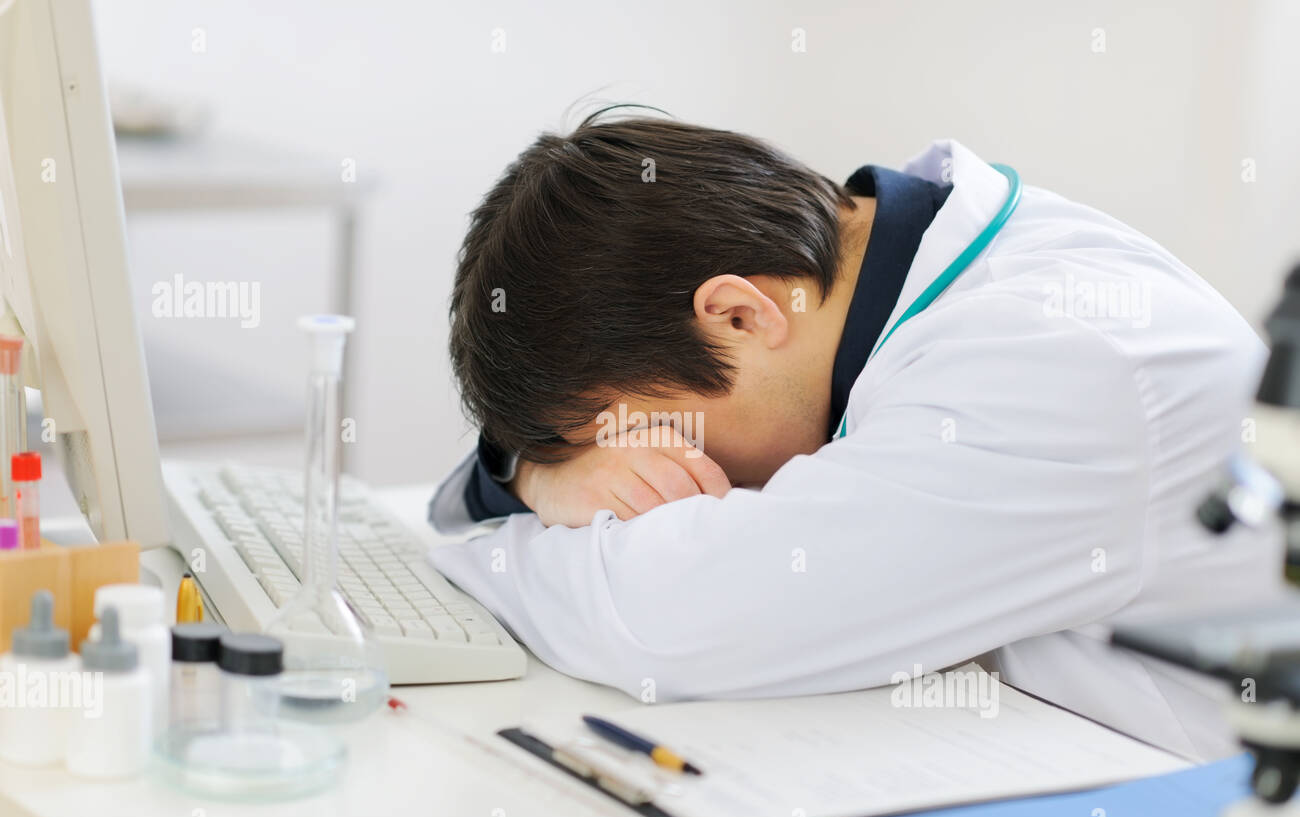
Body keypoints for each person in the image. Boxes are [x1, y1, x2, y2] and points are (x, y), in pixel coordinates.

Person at [428, 111, 1279, 760]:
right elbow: (458, 501)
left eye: (653, 433)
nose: (654, 474)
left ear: (737, 314)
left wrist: (483, 550)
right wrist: (534, 479)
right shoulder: (872, 268)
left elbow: (679, 621)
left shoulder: (1049, 361)